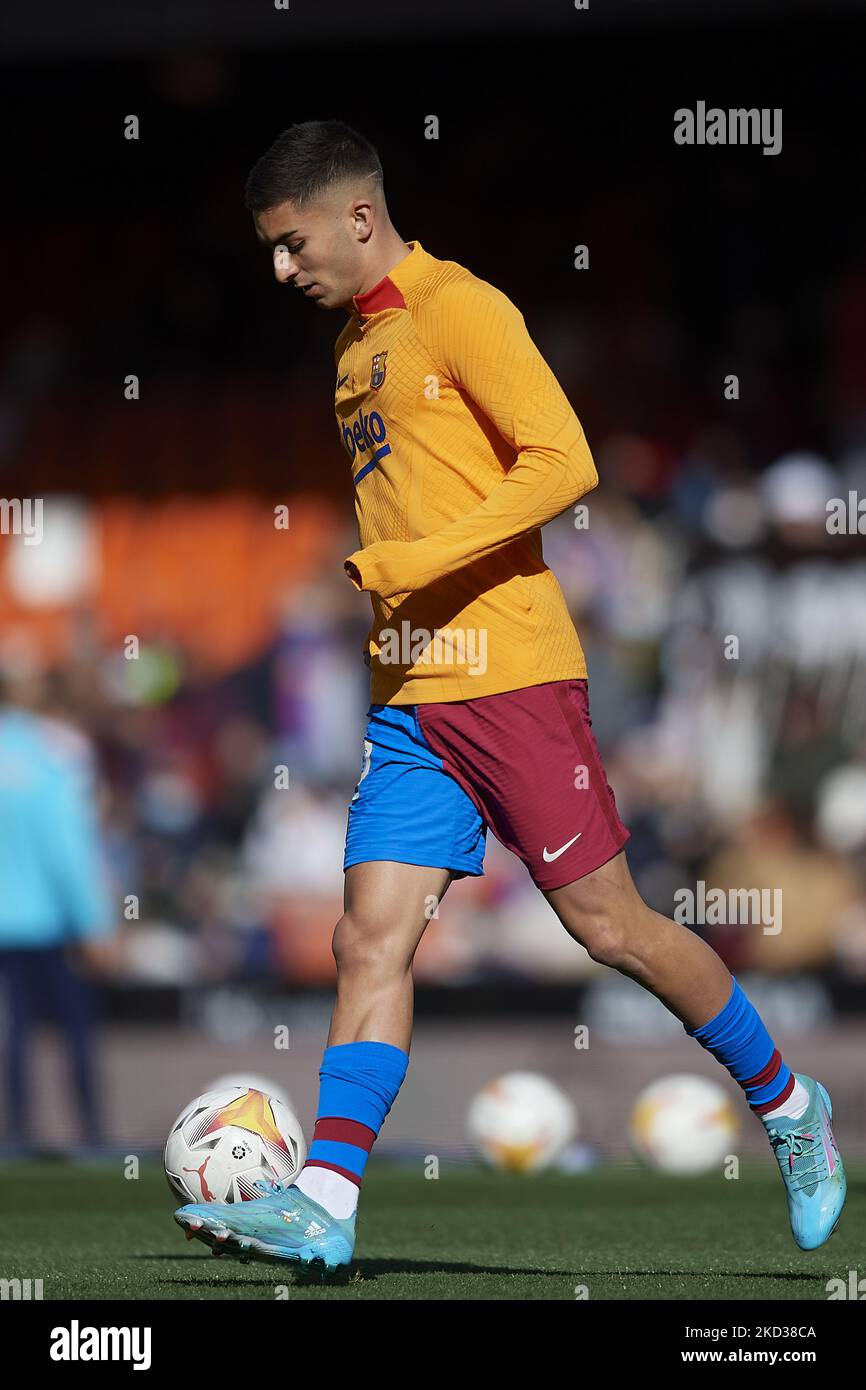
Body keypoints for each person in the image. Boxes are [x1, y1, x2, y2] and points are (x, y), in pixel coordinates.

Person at [175, 120, 845, 1270]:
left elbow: (563, 461)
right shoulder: (353, 350)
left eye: (290, 243)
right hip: (409, 702)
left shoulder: (461, 309)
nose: (279, 268)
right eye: (268, 250)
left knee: (608, 928)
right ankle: (326, 1202)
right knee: (365, 941)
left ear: (355, 217)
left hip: (513, 675)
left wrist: (419, 563)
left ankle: (788, 1106)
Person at [0, 663, 117, 1155]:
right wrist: (97, 922)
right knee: (75, 1028)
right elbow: (66, 847)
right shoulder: (50, 755)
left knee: (15, 1031)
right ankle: (89, 1133)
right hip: (49, 922)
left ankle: (18, 1134)